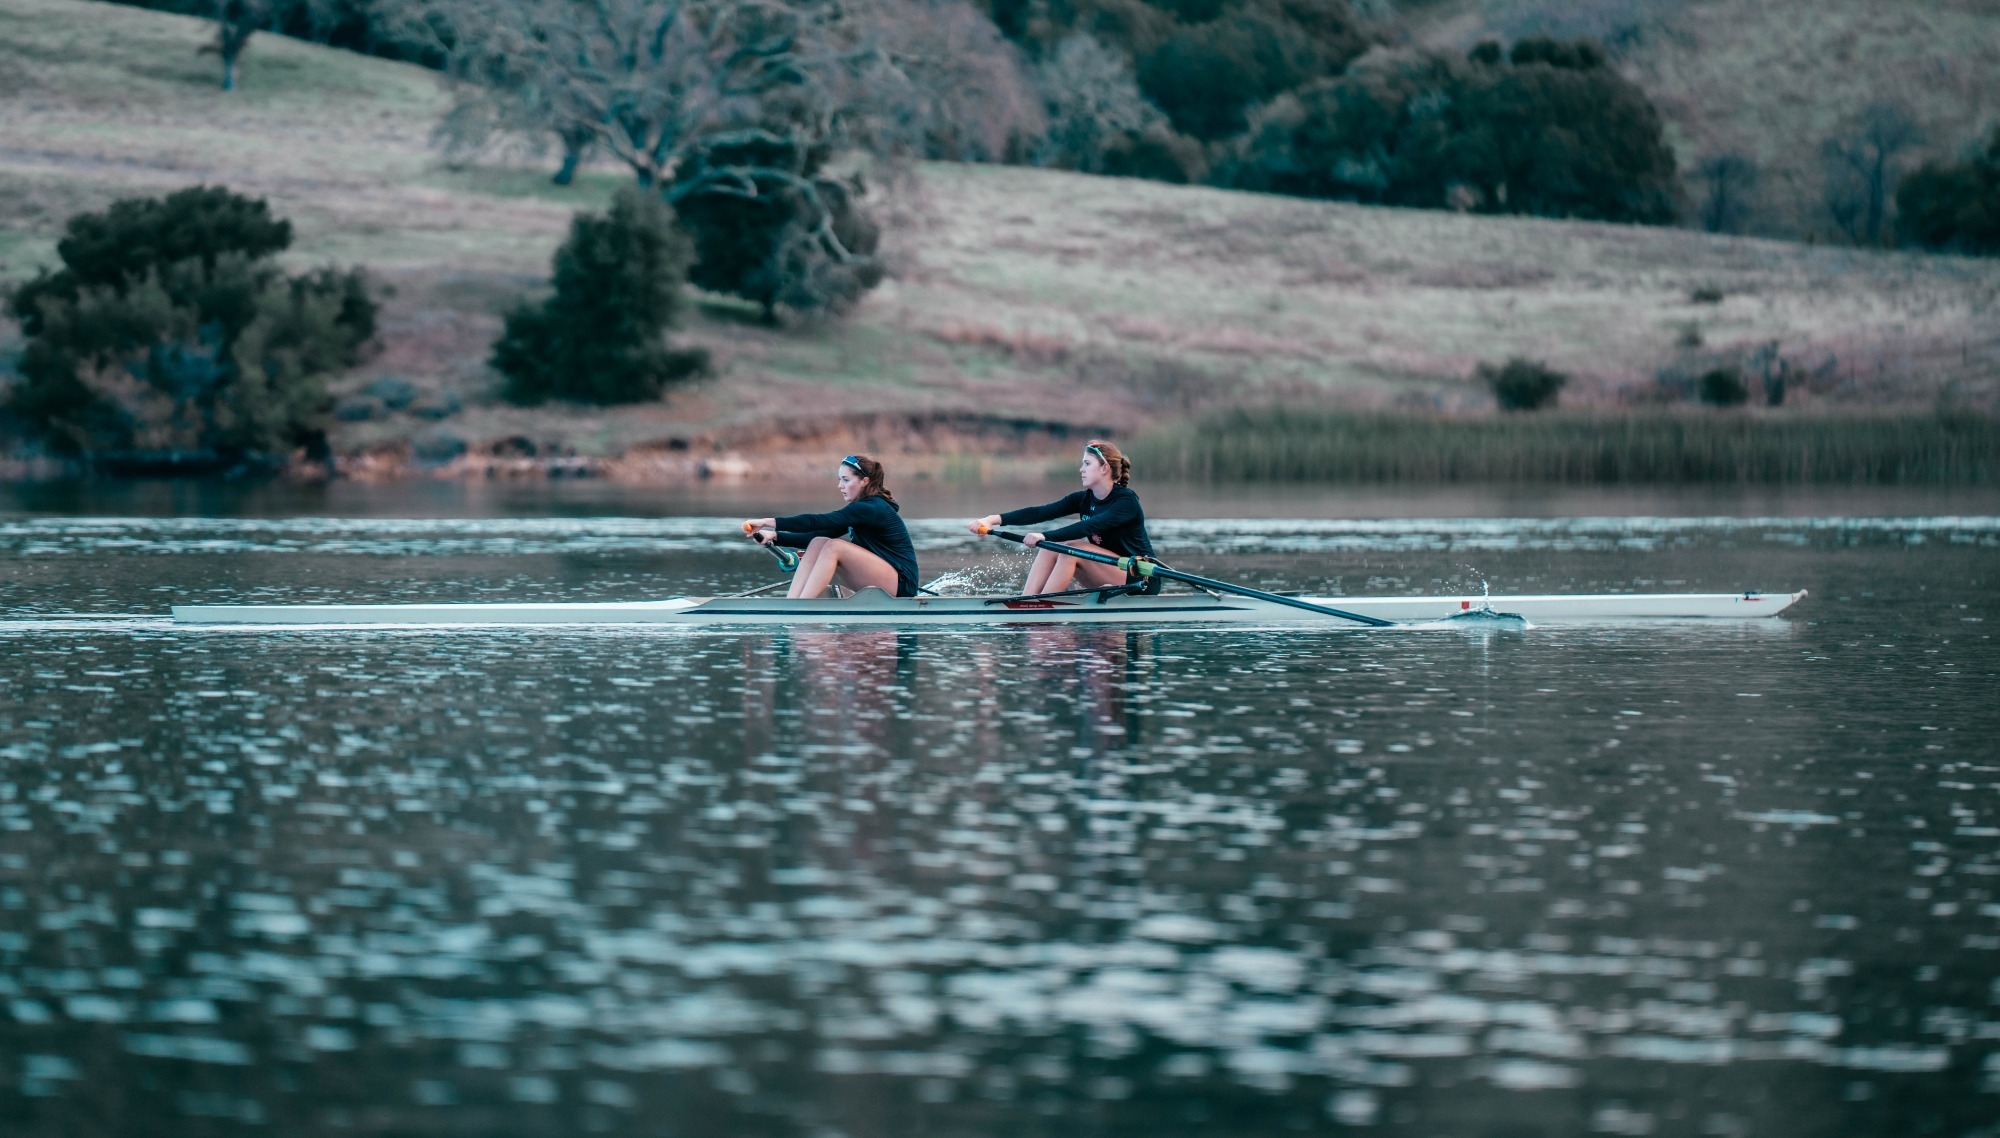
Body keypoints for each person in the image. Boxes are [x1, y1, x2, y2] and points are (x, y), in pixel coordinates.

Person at [969, 440, 1157, 595]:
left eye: (1087, 463)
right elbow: (1039, 513)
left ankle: (1041, 608)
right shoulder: (1082, 499)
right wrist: (991, 520)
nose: (1081, 469)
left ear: (1104, 468)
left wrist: (1045, 535)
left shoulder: (1126, 502)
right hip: (1110, 570)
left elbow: (1088, 527)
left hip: (1141, 577)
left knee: (1070, 548)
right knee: (1051, 548)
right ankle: (1027, 601)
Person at [744, 454, 919, 599]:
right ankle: (794, 602)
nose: (840, 486)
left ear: (864, 481)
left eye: (845, 480)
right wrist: (775, 536)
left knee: (834, 546)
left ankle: (802, 607)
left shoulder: (871, 508)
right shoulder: (861, 509)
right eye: (839, 480)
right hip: (882, 577)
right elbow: (816, 533)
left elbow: (817, 521)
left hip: (902, 584)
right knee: (819, 541)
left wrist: (767, 521)